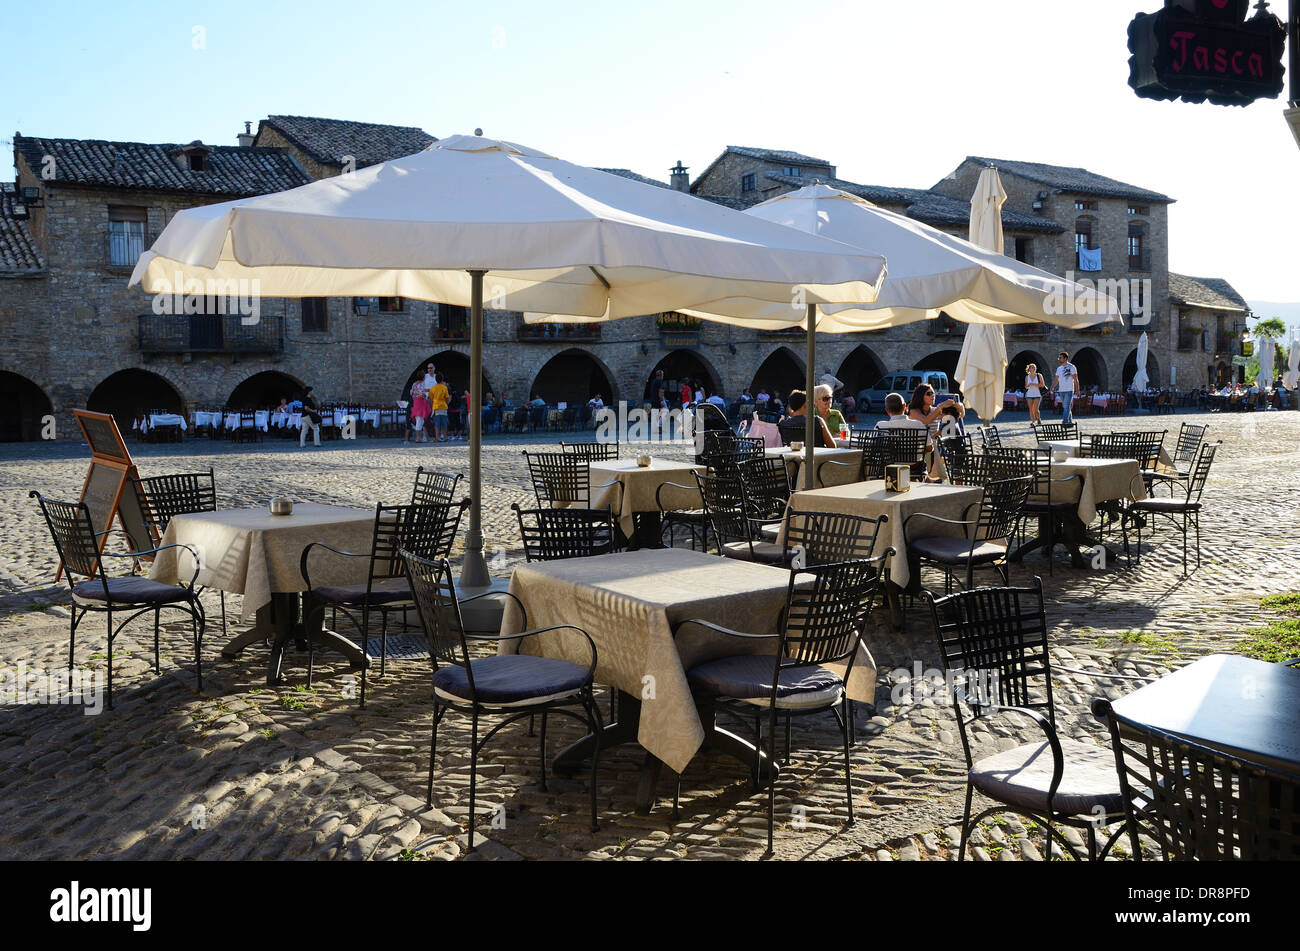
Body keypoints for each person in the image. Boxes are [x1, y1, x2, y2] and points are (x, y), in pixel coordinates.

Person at [1055, 351, 1079, 425]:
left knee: (1066, 406)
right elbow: (1056, 379)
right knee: (1066, 406)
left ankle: (1065, 421)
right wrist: (1052, 387)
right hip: (1061, 390)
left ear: (1065, 358)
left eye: (1060, 358)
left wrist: (1077, 390)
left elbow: (1076, 379)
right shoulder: (1059, 368)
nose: (1059, 359)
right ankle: (1070, 422)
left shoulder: (1072, 367)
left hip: (1069, 390)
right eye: (1059, 357)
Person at [428, 373, 450, 442]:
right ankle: (445, 437)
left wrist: (432, 407)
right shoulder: (444, 388)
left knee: (437, 423)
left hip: (436, 407)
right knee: (444, 423)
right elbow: (447, 398)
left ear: (435, 379)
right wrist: (446, 404)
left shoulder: (432, 388)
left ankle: (437, 437)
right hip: (443, 407)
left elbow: (430, 399)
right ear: (442, 379)